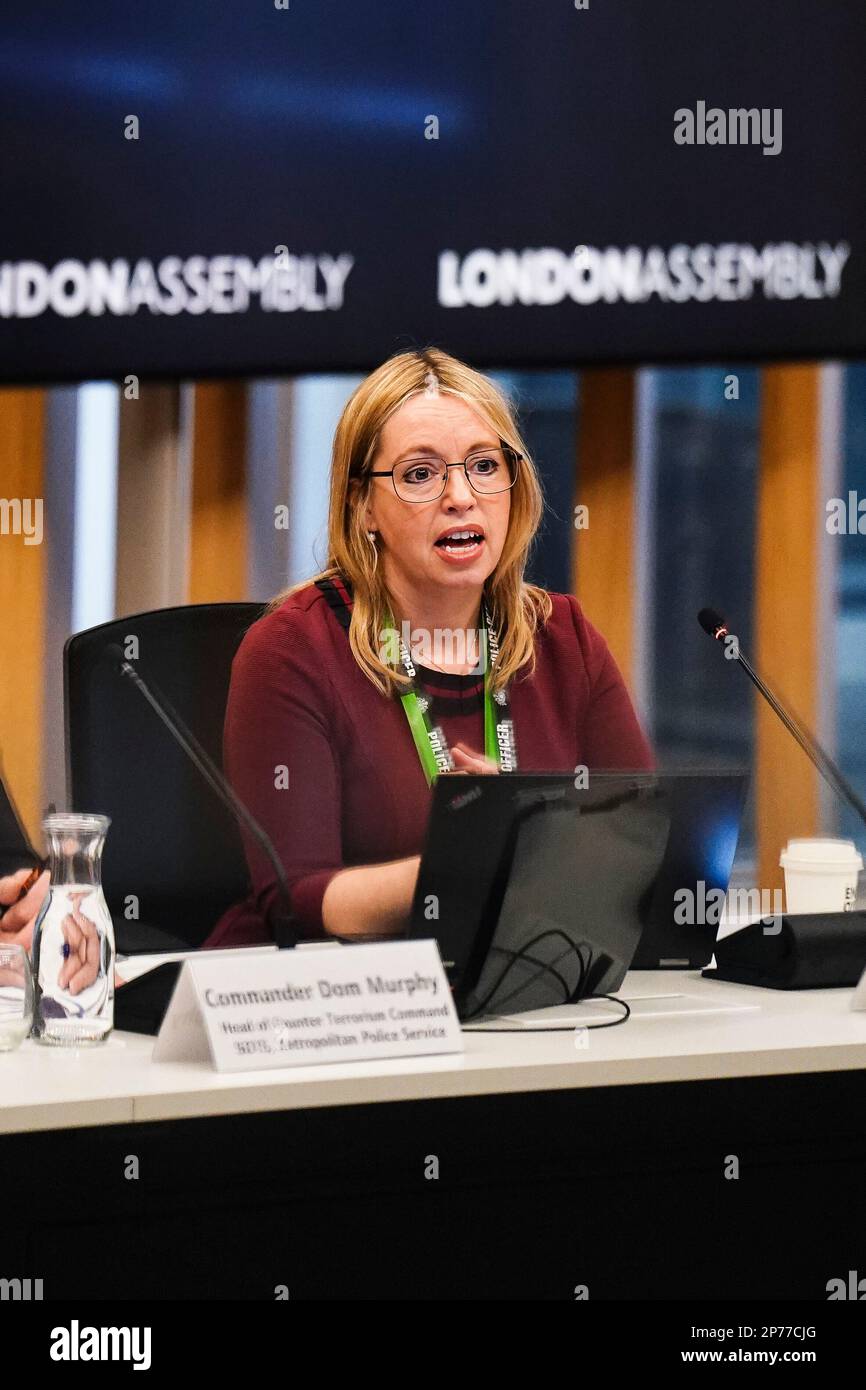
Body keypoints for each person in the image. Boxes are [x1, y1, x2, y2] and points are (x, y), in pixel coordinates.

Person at [205, 347, 653, 949]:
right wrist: (476, 857)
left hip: (526, 982)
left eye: (484, 466)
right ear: (363, 506)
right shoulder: (292, 651)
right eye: (420, 474)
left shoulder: (562, 638)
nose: (462, 497)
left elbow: (644, 845)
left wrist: (530, 842)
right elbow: (299, 900)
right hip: (341, 1009)